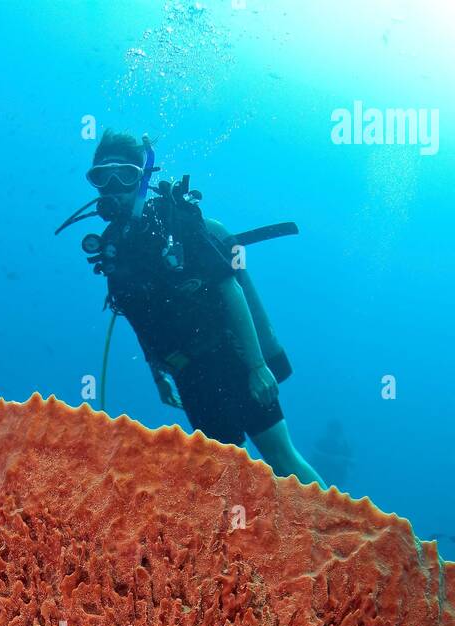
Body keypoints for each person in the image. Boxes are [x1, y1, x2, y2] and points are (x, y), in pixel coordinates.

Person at [65, 129, 325, 488]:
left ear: (140, 178)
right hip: (189, 378)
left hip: (231, 358)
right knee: (227, 473)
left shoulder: (176, 221)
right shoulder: (112, 248)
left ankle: (343, 536)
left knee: (281, 455)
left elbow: (229, 286)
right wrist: (159, 375)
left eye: (123, 175)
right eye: (101, 178)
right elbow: (136, 316)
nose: (113, 187)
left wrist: (256, 364)